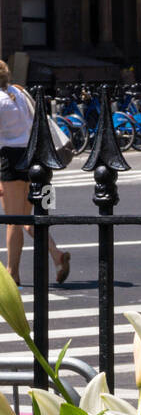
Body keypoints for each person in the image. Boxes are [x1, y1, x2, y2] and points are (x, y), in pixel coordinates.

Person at [0, 62, 70, 285]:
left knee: (13, 220)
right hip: (34, 158)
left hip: (10, 159)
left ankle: (12, 272)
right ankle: (57, 255)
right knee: (30, 217)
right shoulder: (19, 92)